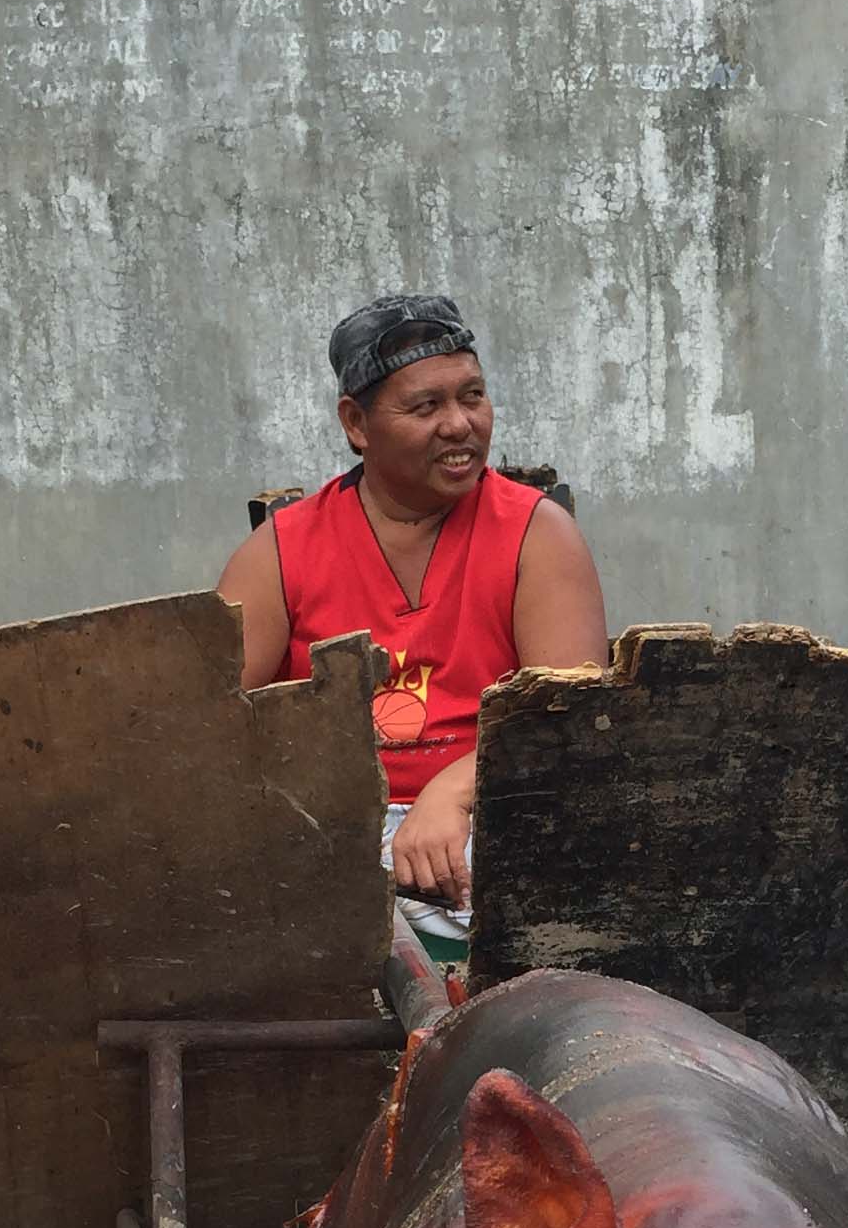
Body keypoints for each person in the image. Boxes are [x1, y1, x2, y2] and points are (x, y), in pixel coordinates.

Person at [216, 293, 609, 952]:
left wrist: (452, 793)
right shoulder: (283, 550)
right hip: (331, 830)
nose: (460, 425)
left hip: (490, 817)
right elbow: (212, 722)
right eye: (426, 407)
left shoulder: (536, 535)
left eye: (472, 397)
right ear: (357, 424)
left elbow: (568, 716)